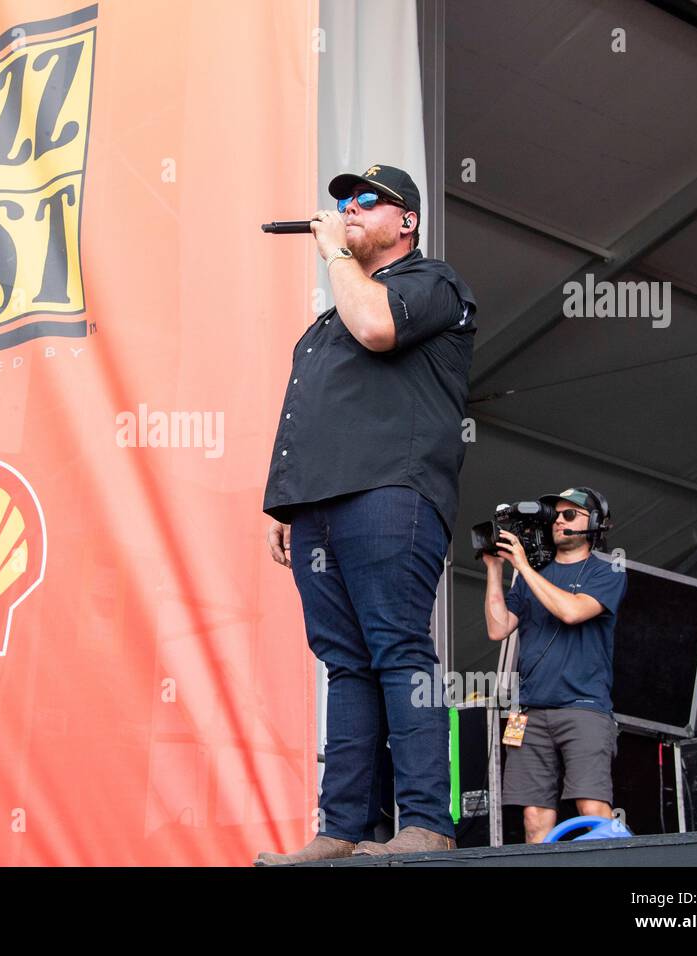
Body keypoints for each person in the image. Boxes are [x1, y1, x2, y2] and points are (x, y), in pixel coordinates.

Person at [254, 165, 477, 864]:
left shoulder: (430, 284)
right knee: (345, 665)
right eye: (339, 204)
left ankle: (425, 824)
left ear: (405, 220)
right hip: (321, 503)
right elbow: (317, 412)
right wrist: (289, 502)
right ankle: (341, 828)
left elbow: (379, 327)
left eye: (364, 202)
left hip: (390, 493)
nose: (345, 210)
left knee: (399, 651)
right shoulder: (327, 322)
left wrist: (334, 254)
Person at [482, 487, 627, 843]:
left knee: (593, 809)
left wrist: (524, 568)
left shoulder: (608, 571)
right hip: (530, 711)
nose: (558, 521)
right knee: (534, 818)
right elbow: (497, 627)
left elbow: (572, 611)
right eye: (555, 515)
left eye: (569, 515)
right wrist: (493, 568)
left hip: (584, 707)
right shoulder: (533, 573)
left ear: (593, 524)